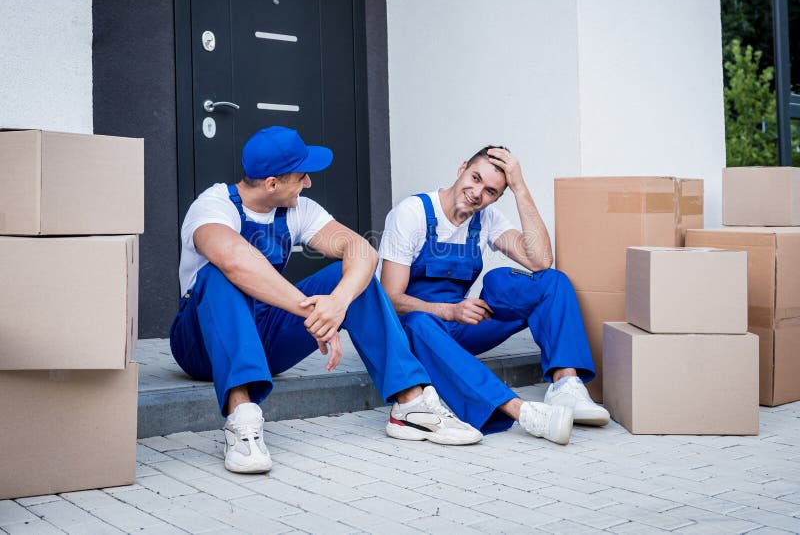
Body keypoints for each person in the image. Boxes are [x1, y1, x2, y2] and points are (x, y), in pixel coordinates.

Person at [170, 126, 482, 474]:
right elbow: (234, 260)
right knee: (219, 273)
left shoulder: (299, 209)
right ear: (272, 183)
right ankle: (242, 419)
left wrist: (337, 303)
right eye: (302, 177)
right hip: (200, 345)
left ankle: (410, 403)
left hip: (264, 336)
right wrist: (312, 311)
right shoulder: (212, 206)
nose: (308, 184)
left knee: (348, 276)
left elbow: (361, 250)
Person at [378, 145, 609, 445]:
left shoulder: (486, 218)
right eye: (474, 178)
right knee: (418, 323)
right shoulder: (413, 213)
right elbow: (390, 299)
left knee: (550, 282)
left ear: (498, 197)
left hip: (459, 325)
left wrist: (520, 187)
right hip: (415, 331)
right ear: (461, 169)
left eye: (490, 191)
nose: (477, 193)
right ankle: (520, 411)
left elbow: (540, 261)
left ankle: (566, 385)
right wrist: (449, 311)